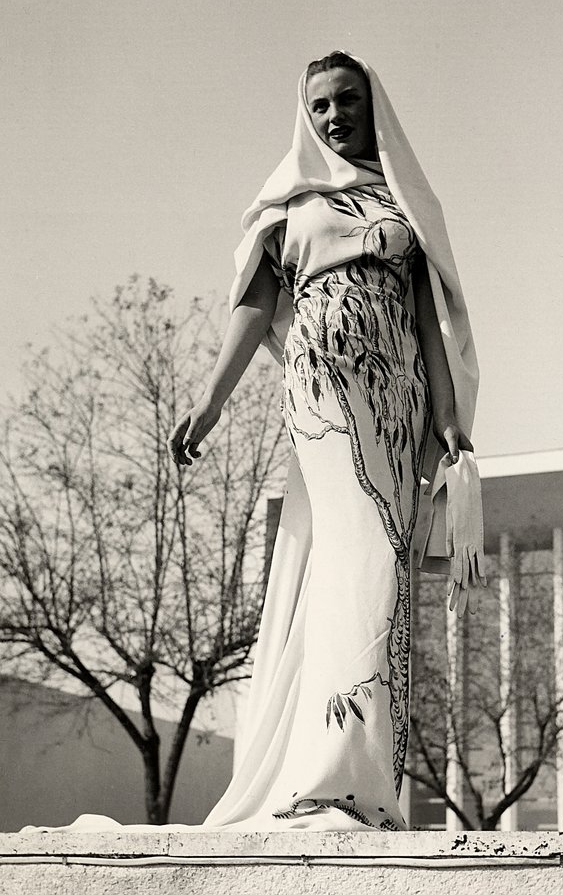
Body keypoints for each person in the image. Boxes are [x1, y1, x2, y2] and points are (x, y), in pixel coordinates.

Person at [25, 51, 480, 835]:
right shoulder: (291, 201)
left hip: (398, 407)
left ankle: (361, 782)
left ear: (375, 108)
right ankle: (335, 785)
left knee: (386, 576)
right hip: (325, 398)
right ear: (304, 115)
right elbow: (253, 307)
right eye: (321, 105)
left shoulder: (403, 203)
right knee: (361, 557)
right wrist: (205, 405)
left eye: (348, 101)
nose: (335, 116)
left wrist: (448, 421)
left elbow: (429, 324)